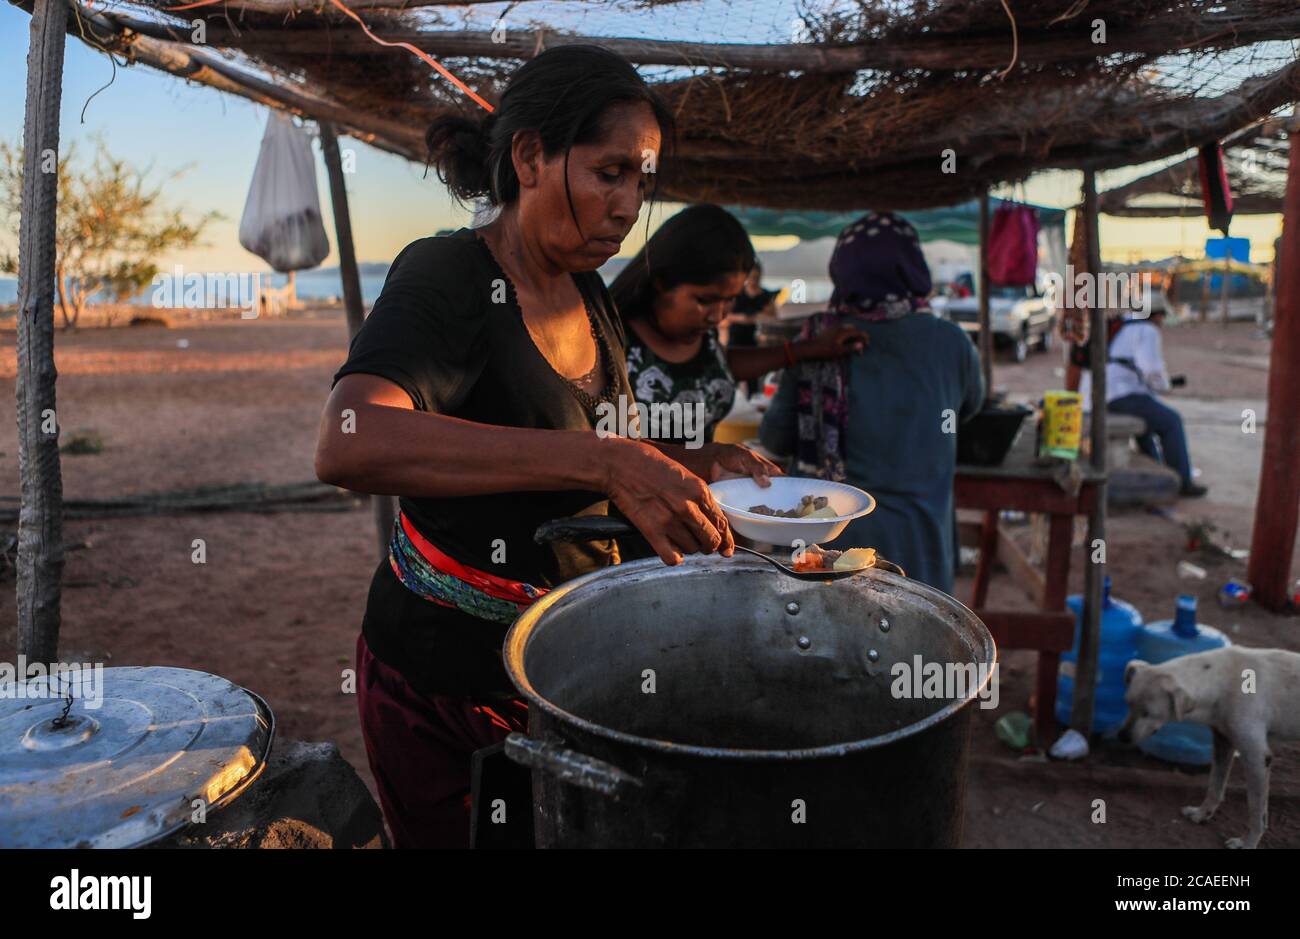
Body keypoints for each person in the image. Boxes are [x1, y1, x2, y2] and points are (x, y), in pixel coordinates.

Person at [315, 45, 780, 848]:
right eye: (610, 173)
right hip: (445, 686)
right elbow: (348, 440)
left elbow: (600, 437)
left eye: (642, 183)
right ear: (530, 157)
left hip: (563, 670)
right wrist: (604, 461)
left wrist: (693, 466)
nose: (628, 206)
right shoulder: (449, 275)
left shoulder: (589, 292)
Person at [759, 211, 983, 595]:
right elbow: (971, 407)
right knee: (917, 629)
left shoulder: (820, 338)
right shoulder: (952, 341)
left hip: (828, 544)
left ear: (841, 271)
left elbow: (774, 438)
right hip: (921, 544)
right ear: (914, 269)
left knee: (819, 631)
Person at [611, 203, 866, 448]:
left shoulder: (703, 338)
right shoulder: (612, 343)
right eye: (704, 300)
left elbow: (716, 367)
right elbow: (604, 446)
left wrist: (806, 349)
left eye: (730, 299)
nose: (718, 316)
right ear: (661, 281)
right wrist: (706, 458)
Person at [1078, 309, 1206, 497]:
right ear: (1156, 315)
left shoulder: (1121, 324)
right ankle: (1183, 482)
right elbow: (1152, 369)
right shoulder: (1147, 329)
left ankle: (1157, 469)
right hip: (1119, 393)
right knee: (1172, 421)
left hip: (1094, 394)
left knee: (1147, 420)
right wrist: (1164, 385)